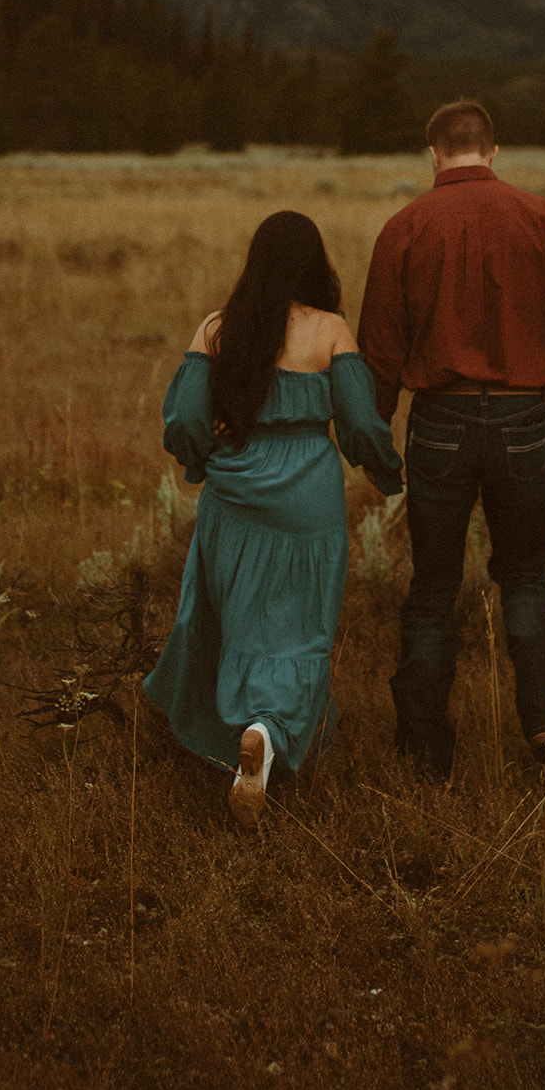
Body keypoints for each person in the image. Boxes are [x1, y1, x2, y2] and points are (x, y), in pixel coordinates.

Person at [357, 100, 545, 782]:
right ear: (492, 151)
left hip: (440, 419)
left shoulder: (405, 226)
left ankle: (423, 747)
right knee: (525, 576)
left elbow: (379, 348)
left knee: (433, 584)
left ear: (433, 153)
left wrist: (375, 434)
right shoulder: (542, 217)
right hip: (524, 416)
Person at [144, 210, 404, 826]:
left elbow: (184, 419)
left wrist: (204, 461)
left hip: (234, 492)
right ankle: (268, 728)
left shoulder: (216, 328)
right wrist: (386, 470)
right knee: (302, 626)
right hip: (308, 494)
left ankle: (247, 728)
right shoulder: (330, 330)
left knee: (236, 619)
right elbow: (360, 422)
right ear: (315, 264)